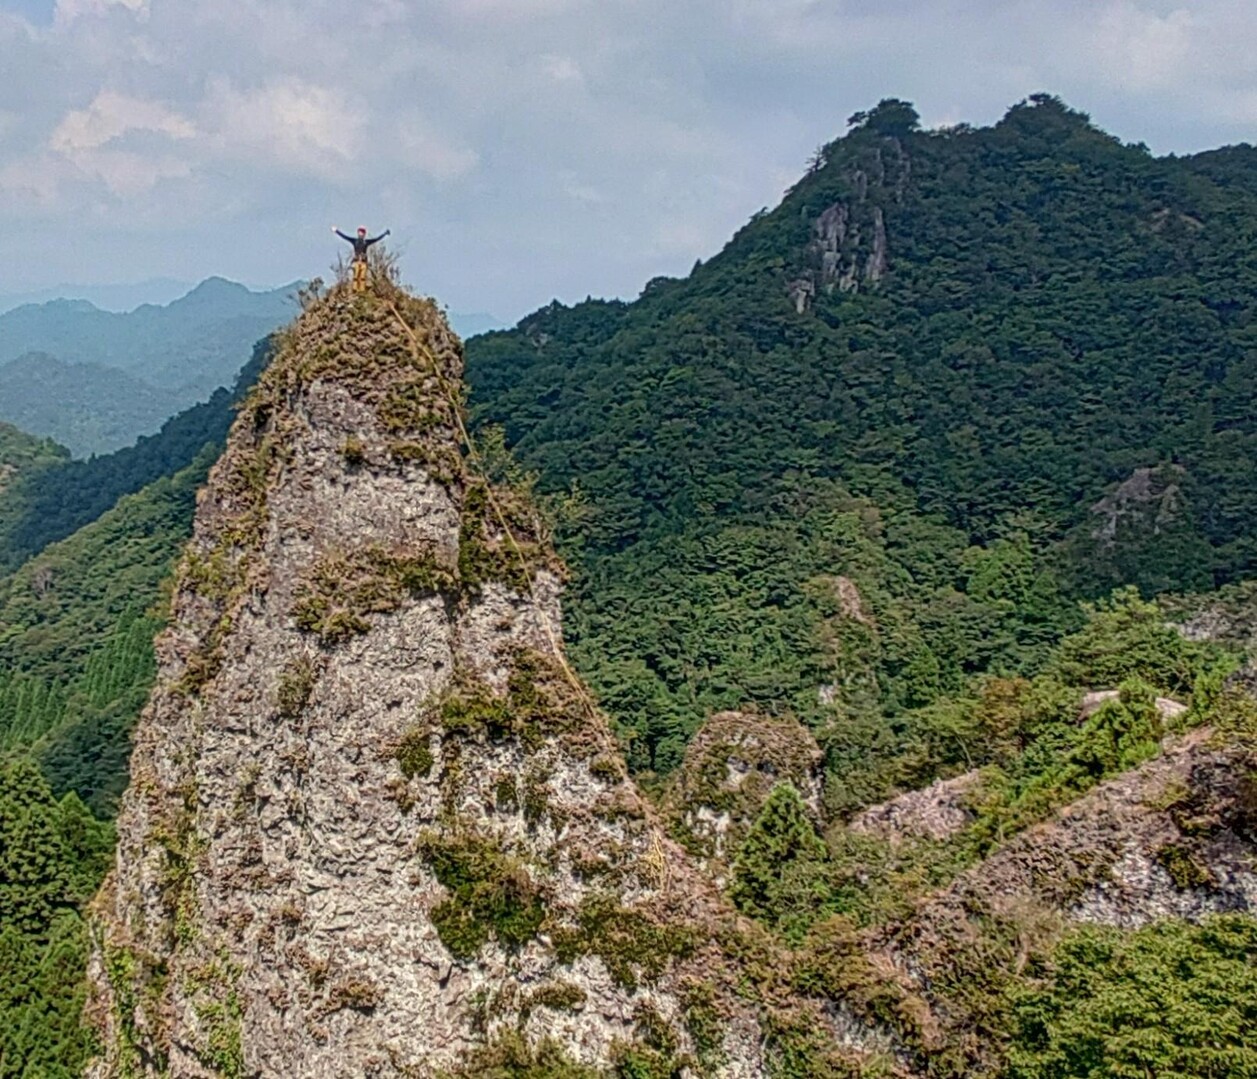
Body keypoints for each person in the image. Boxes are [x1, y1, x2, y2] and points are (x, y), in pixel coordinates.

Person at [333, 226, 391, 293]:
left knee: (362, 276)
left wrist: (385, 234)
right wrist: (336, 231)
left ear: (364, 234)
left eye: (362, 232)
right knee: (356, 276)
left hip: (364, 261)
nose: (361, 234)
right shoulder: (354, 241)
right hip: (356, 261)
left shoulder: (366, 242)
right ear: (358, 233)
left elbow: (376, 239)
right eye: (360, 232)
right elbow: (345, 237)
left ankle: (361, 290)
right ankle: (355, 289)